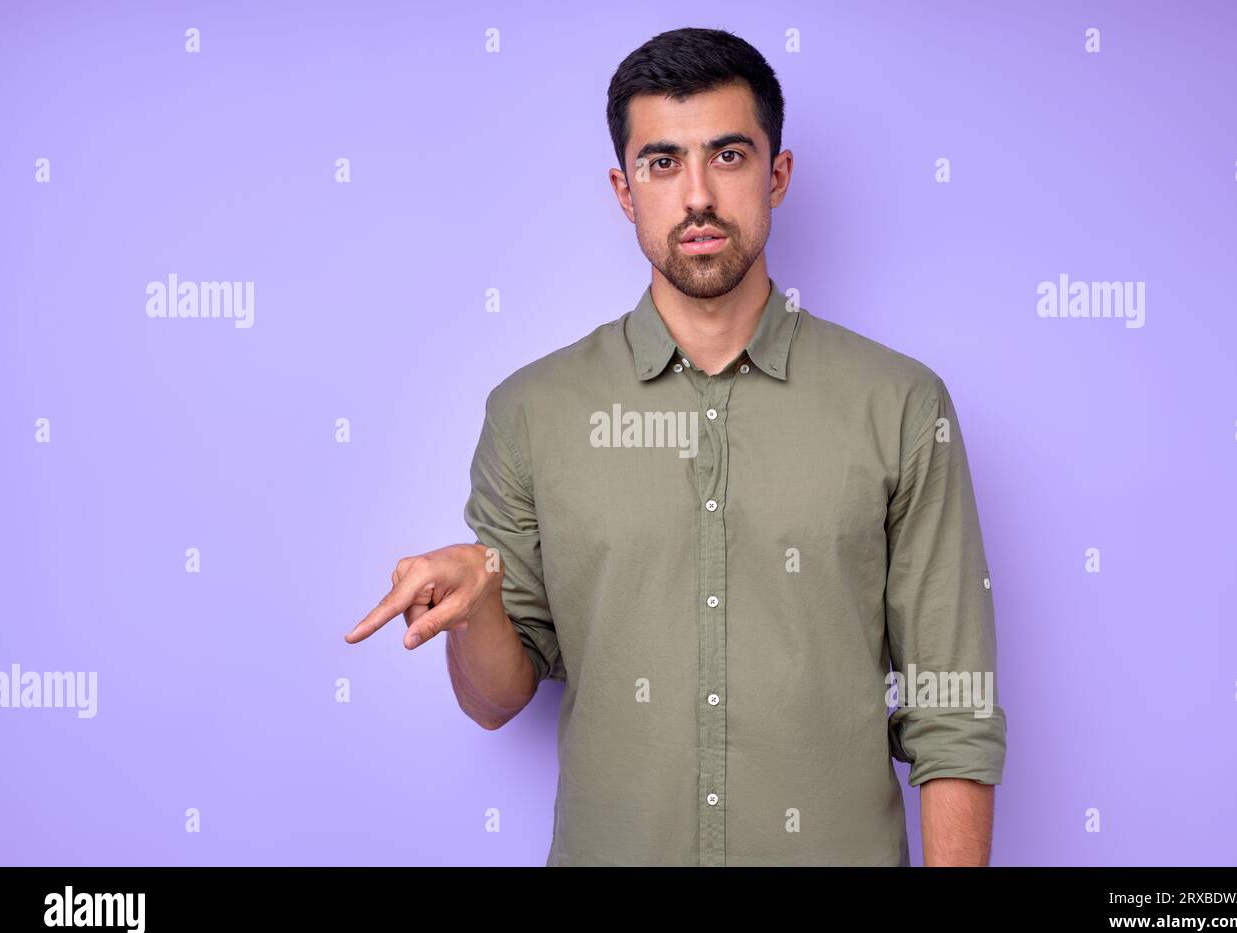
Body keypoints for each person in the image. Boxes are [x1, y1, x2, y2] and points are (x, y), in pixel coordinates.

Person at [345, 26, 1006, 866]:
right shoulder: (531, 412)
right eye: (663, 163)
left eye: (728, 156)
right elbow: (496, 702)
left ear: (778, 174)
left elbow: (954, 709)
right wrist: (474, 610)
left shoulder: (903, 405)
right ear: (625, 191)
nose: (697, 195)